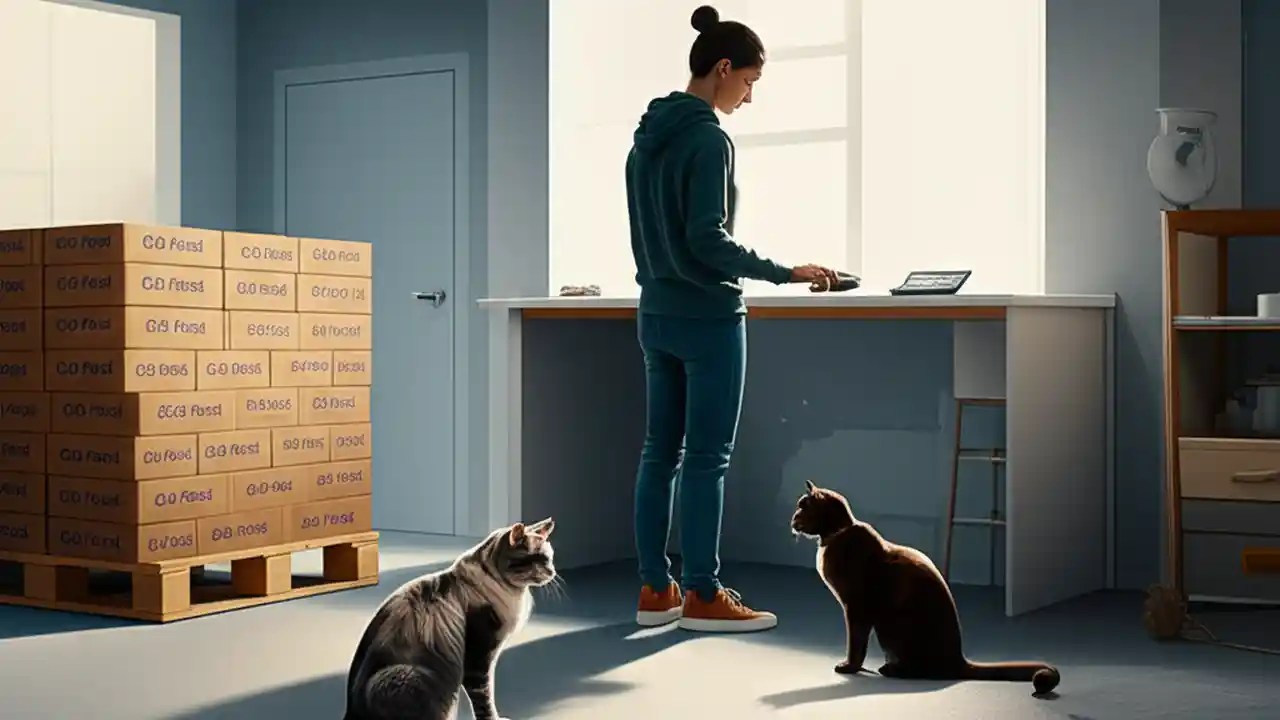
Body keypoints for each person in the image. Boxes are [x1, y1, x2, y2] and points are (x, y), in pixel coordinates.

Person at [626, 4, 841, 633]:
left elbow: (654, 236)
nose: (747, 99)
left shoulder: (644, 141)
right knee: (707, 459)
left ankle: (653, 590)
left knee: (657, 453)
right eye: (748, 83)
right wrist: (787, 271)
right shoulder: (707, 137)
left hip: (655, 313)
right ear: (723, 69)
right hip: (708, 318)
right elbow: (709, 241)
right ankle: (703, 594)